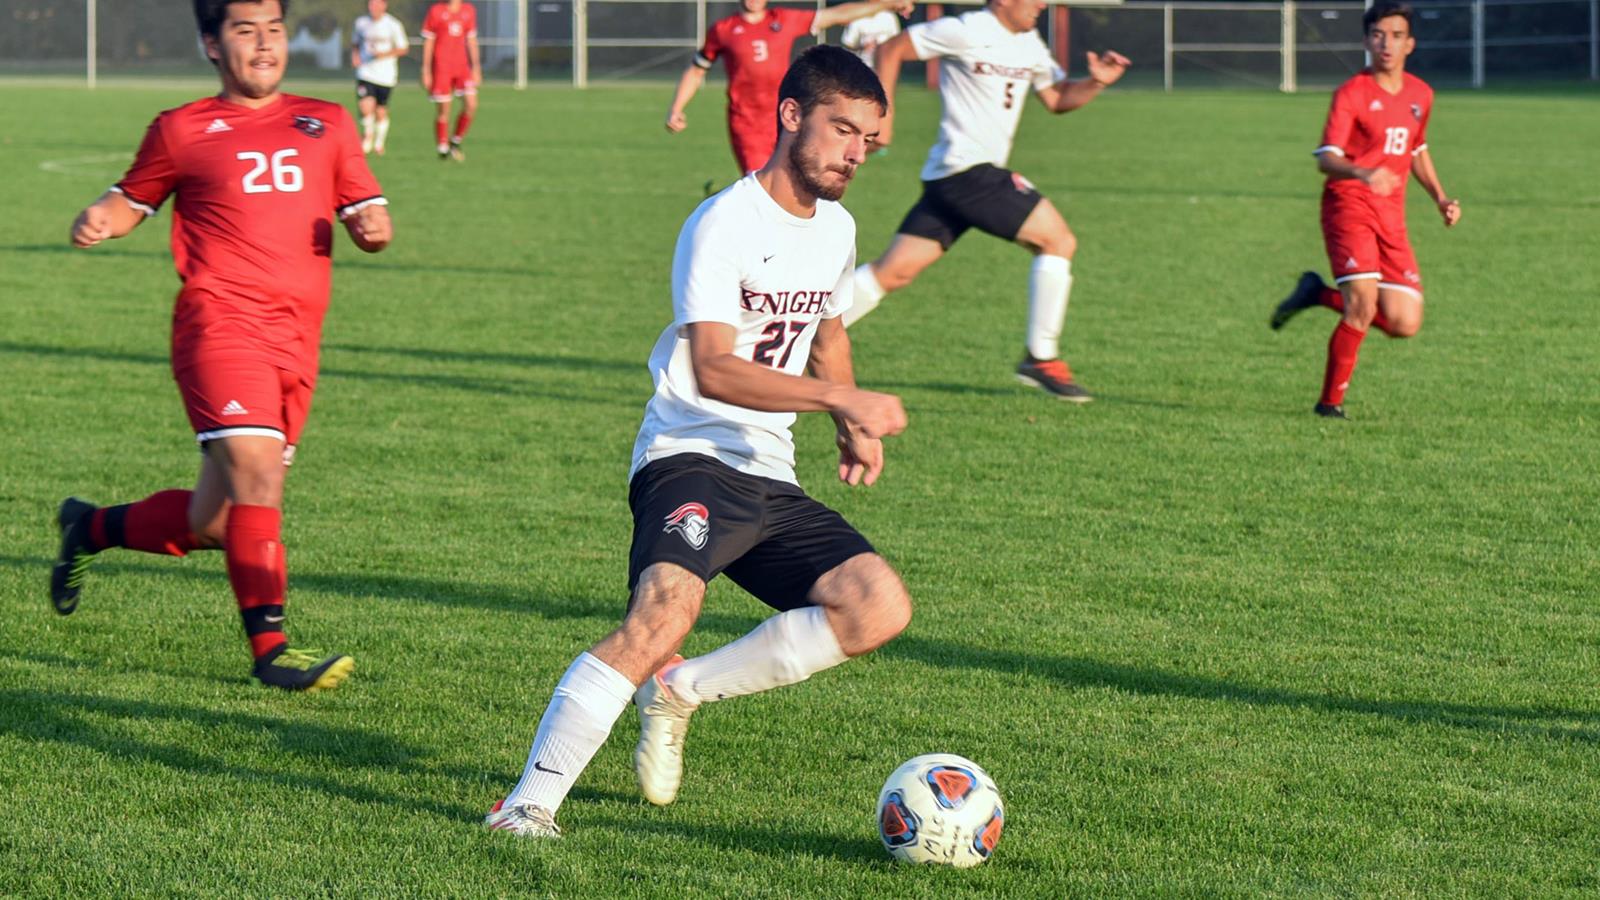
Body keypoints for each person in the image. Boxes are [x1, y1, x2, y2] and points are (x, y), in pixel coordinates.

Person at [486, 45, 910, 838]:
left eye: (869, 140)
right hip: (689, 454)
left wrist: (849, 420)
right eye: (842, 130)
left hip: (768, 472)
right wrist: (840, 397)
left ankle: (682, 692)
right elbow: (714, 369)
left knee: (876, 605)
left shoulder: (839, 228)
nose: (856, 152)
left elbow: (827, 332)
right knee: (667, 610)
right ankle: (528, 805)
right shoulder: (722, 224)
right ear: (791, 116)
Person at [54, 0, 392, 692]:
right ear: (212, 44)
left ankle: (90, 528)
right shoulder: (181, 130)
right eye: (245, 30)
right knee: (259, 473)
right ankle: (272, 650)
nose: (264, 44)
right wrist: (101, 218)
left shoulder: (326, 121)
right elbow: (131, 199)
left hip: (296, 342)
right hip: (219, 325)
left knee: (216, 521)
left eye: (274, 30)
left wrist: (373, 225)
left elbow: (365, 206)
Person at [845, 0, 1129, 402]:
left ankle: (803, 329)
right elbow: (892, 49)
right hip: (969, 172)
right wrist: (881, 117)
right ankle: (1041, 357)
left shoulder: (1030, 42)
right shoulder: (966, 28)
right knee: (1058, 240)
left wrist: (1096, 82)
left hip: (952, 178)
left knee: (891, 274)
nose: (1042, 5)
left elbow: (1057, 99)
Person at [1269, 1, 1460, 419]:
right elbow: (1325, 157)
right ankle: (1329, 406)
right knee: (1361, 305)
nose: (1386, 43)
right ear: (1366, 40)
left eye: (1395, 35)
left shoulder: (1420, 94)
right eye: (1378, 34)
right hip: (1348, 205)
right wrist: (1362, 172)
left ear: (1410, 43)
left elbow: (1416, 149)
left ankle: (1316, 293)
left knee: (1403, 322)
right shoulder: (1352, 93)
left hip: (1392, 217)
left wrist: (1441, 198)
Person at [664, 0, 914, 174]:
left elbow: (837, 15)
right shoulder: (723, 30)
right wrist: (677, 108)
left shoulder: (783, 20)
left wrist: (888, 4)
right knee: (765, 185)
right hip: (747, 123)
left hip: (790, 117)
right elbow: (697, 70)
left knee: (800, 177)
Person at [420, 0, 480, 161]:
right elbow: (429, 41)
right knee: (444, 110)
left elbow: (471, 40)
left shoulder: (469, 10)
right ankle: (442, 147)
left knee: (471, 104)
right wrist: (426, 69)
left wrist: (476, 66)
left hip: (462, 67)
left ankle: (455, 141)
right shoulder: (436, 11)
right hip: (442, 67)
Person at [350, 0, 409, 155]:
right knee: (365, 105)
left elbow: (403, 48)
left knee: (380, 110)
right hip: (366, 72)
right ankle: (368, 136)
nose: (373, 8)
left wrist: (384, 54)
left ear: (384, 5)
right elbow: (355, 43)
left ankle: (379, 142)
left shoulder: (393, 25)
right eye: (370, 4)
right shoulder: (361, 23)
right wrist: (355, 56)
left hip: (386, 75)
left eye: (376, 4)